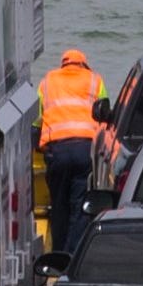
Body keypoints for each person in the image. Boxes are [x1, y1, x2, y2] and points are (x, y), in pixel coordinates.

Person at [37, 49, 105, 250]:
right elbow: (105, 116)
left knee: (59, 206)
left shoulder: (47, 81)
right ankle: (73, 254)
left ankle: (58, 252)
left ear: (63, 64)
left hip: (57, 151)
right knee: (80, 206)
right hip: (84, 150)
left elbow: (37, 119)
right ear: (84, 64)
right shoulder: (95, 81)